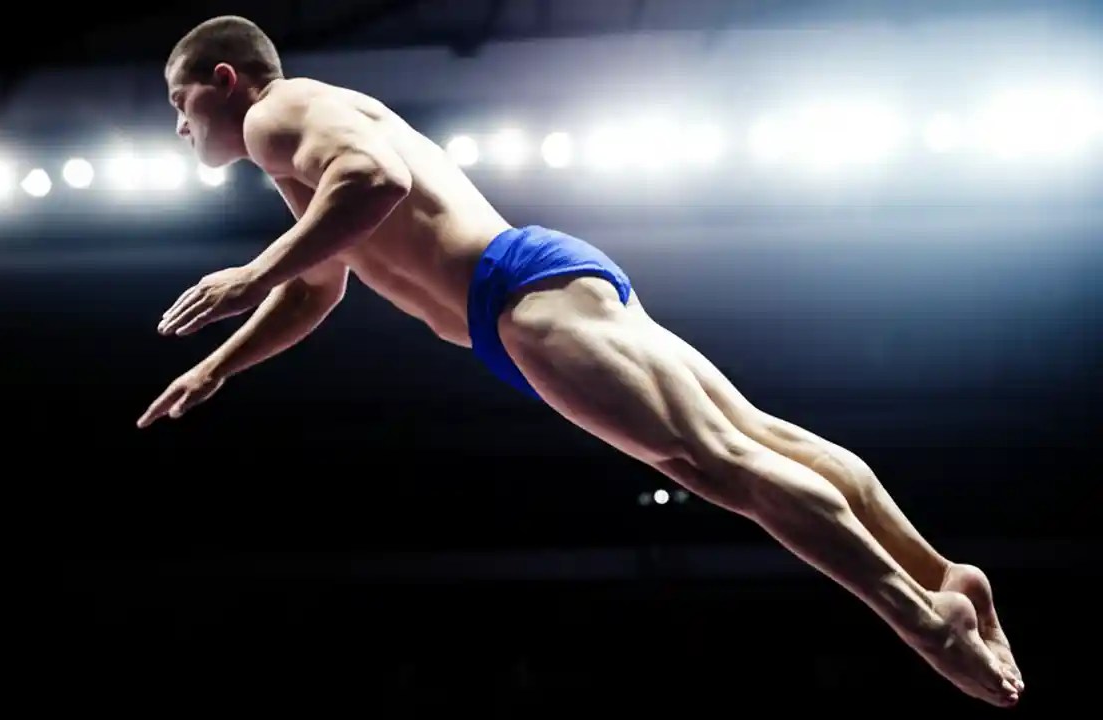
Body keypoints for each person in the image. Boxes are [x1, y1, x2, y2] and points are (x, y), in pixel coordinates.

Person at [137, 15, 1023, 706]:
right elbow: (319, 285)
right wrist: (222, 363)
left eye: (181, 106)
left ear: (227, 80)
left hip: (515, 298)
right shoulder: (296, 145)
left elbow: (375, 182)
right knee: (747, 447)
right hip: (533, 291)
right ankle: (942, 575)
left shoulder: (275, 114)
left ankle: (923, 620)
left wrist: (250, 270)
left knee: (729, 464)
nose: (180, 128)